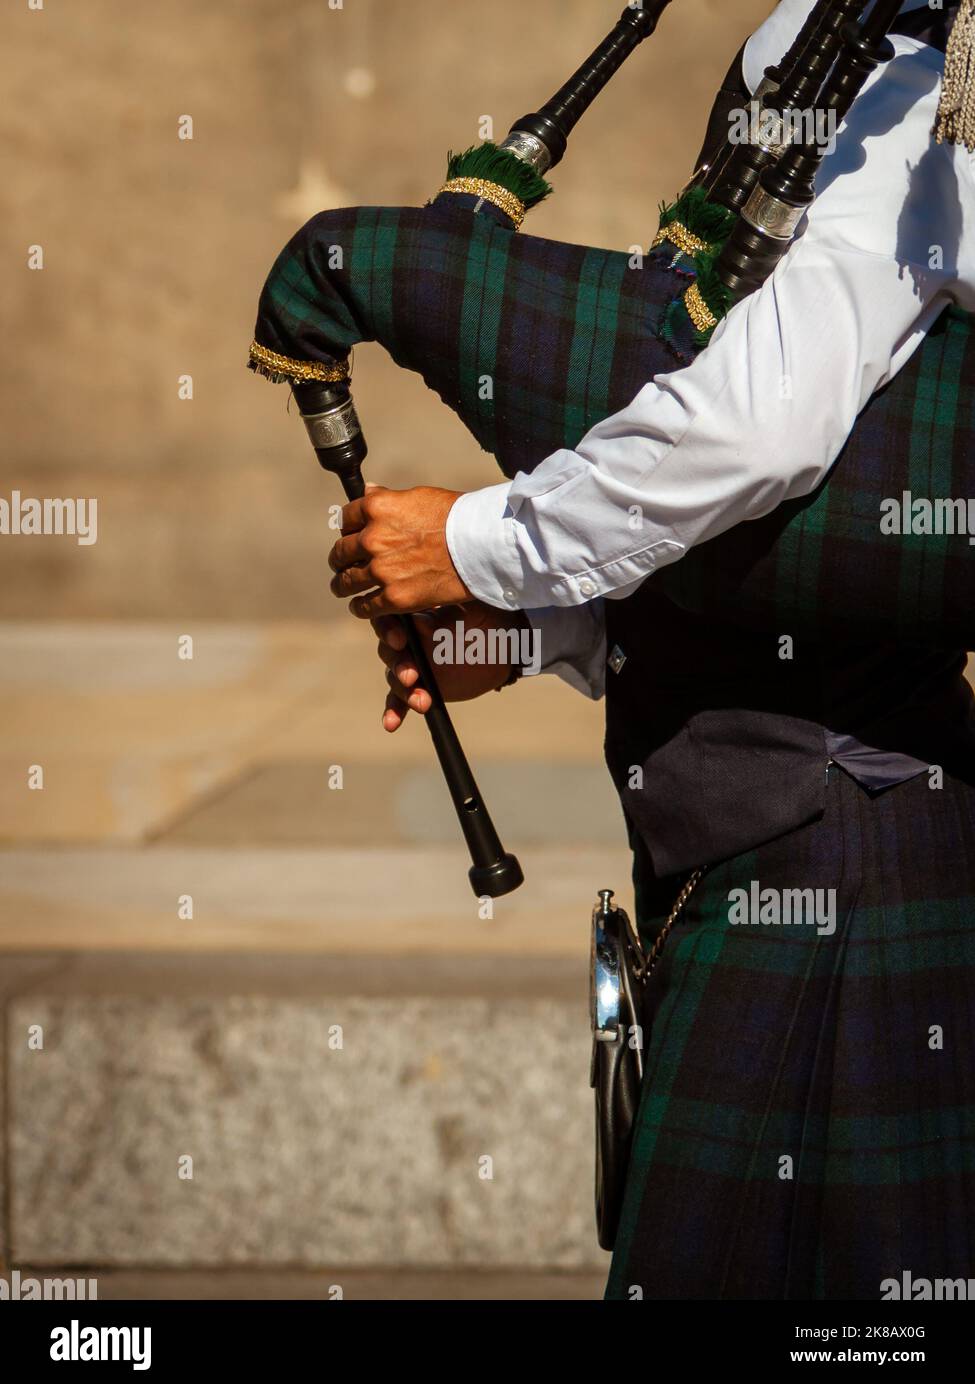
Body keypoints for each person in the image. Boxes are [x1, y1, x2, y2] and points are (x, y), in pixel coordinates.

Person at [329, 1, 975, 1299]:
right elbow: (818, 518)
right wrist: (536, 624)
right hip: (798, 847)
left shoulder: (896, 72)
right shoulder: (836, 41)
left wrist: (478, 541)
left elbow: (752, 437)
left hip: (835, 872)